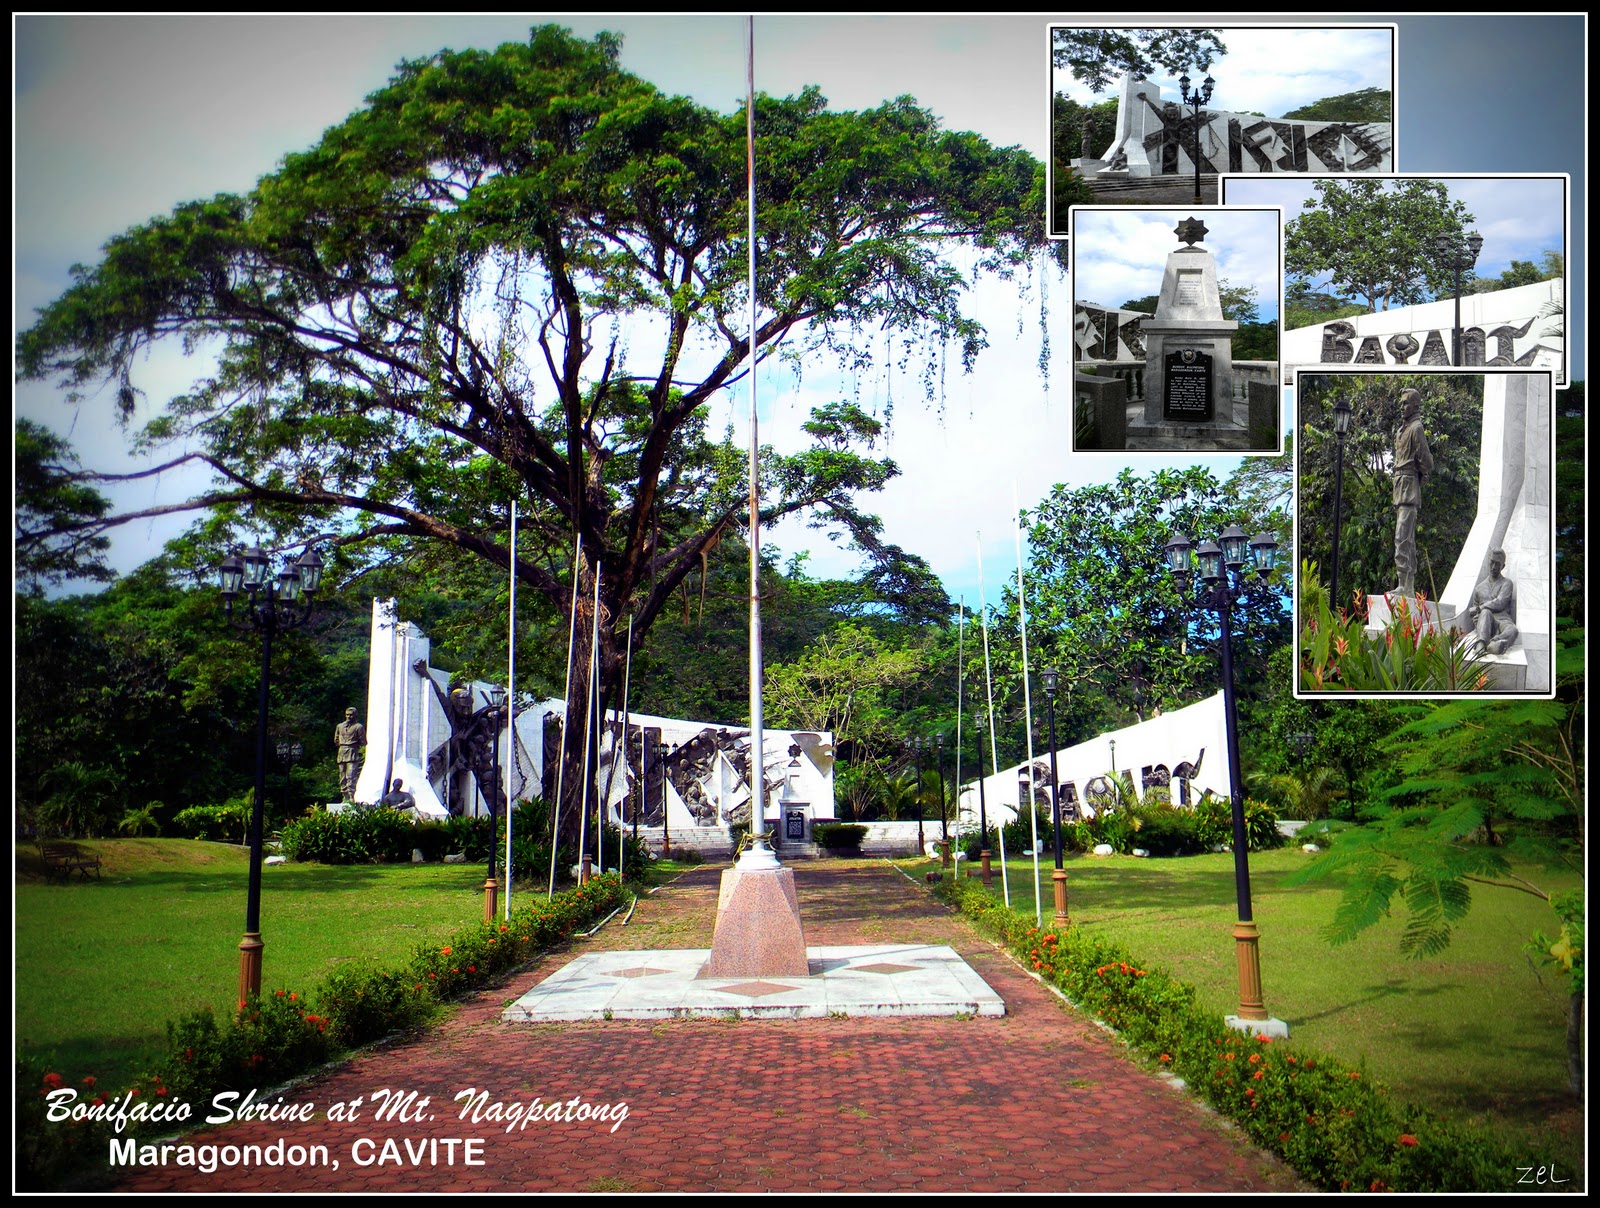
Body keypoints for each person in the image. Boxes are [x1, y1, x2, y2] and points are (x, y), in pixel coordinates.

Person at [1391, 388, 1434, 599]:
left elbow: (1426, 460)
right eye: (1401, 403)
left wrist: (1421, 472)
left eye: (1406, 403)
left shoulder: (1416, 428)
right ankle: (1407, 585)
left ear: (1415, 406)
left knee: (1402, 536)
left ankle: (1403, 584)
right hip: (1400, 484)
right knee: (1406, 537)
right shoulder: (1401, 431)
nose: (1402, 407)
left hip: (1409, 483)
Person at [1464, 549, 1518, 654]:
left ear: (1503, 566)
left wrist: (1481, 607)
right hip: (1485, 622)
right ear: (1489, 562)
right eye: (1492, 562)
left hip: (1502, 620)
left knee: (1513, 630)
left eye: (1497, 564)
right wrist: (1480, 623)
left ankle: (1493, 644)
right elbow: (1475, 616)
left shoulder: (1507, 583)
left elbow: (1500, 602)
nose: (1494, 567)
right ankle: (1481, 644)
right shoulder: (1479, 588)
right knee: (1485, 613)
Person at [334, 707, 366, 803]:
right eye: (347, 714)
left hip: (352, 751)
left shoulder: (358, 727)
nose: (349, 716)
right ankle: (344, 796)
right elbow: (336, 739)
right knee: (342, 775)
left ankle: (351, 795)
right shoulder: (339, 726)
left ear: (355, 715)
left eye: (351, 715)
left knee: (351, 775)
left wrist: (354, 744)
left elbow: (363, 741)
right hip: (342, 751)